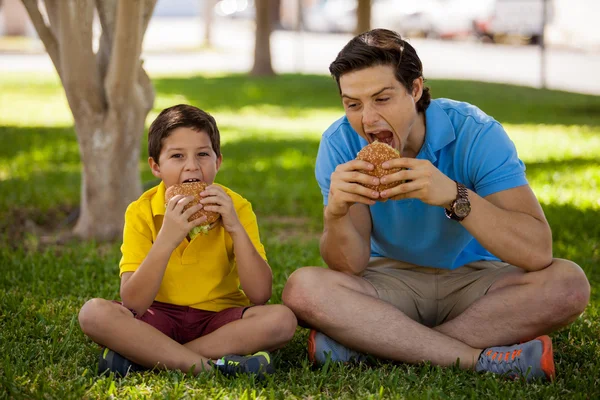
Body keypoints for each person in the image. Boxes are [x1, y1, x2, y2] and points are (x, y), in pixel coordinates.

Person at [282, 29, 590, 381]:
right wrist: (335, 213)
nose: (366, 119)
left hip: (480, 286)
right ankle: (479, 358)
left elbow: (537, 251)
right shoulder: (340, 145)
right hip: (389, 282)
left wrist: (455, 196)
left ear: (414, 89)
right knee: (302, 288)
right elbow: (349, 265)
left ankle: (379, 345)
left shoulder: (477, 133)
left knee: (569, 284)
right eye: (353, 104)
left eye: (382, 99)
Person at [78, 104, 297, 378]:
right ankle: (210, 366)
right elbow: (133, 303)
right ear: (156, 166)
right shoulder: (141, 211)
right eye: (177, 156)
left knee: (282, 320)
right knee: (93, 313)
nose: (192, 166)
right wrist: (167, 239)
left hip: (219, 319)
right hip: (156, 317)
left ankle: (149, 357)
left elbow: (260, 294)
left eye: (203, 154)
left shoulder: (237, 207)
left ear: (217, 162)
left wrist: (236, 229)